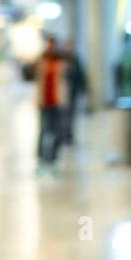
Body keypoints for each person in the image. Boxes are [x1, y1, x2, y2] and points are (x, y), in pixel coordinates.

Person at [34, 36, 68, 173]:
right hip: (44, 103)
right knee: (43, 131)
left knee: (56, 132)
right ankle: (41, 160)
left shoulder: (60, 63)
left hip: (57, 102)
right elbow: (37, 83)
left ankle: (53, 160)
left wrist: (64, 101)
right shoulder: (41, 63)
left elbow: (64, 84)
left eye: (51, 45)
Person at [58, 39, 87, 148]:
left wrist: (83, 90)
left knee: (71, 116)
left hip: (73, 92)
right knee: (63, 116)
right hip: (63, 93)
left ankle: (69, 136)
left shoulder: (76, 59)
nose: (70, 48)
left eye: (72, 46)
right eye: (68, 46)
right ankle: (63, 136)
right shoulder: (62, 59)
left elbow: (80, 75)